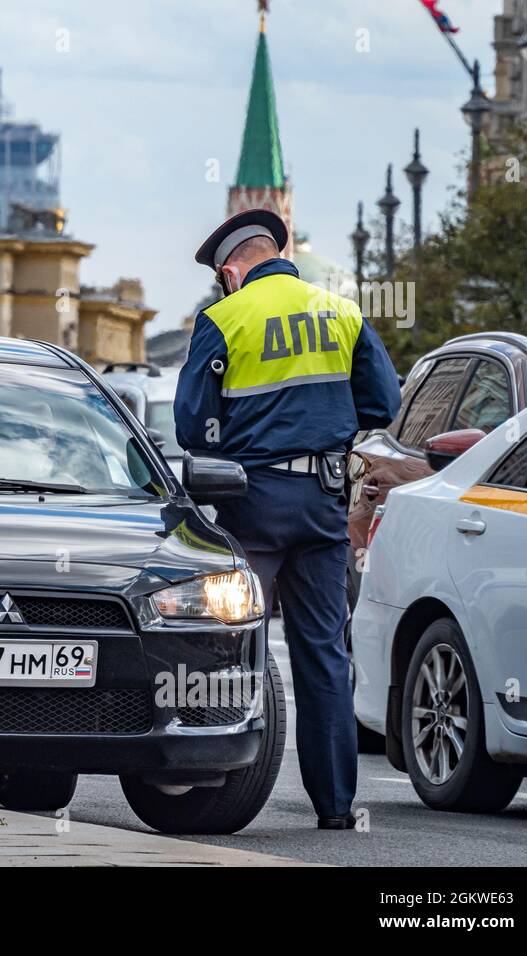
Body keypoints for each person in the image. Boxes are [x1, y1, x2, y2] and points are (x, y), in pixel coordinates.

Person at [174, 209, 401, 830]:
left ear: (230, 271)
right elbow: (383, 402)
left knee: (228, 640)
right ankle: (335, 806)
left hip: (253, 501)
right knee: (325, 652)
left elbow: (192, 426)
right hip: (325, 504)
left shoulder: (223, 318)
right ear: (280, 251)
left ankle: (207, 778)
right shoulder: (343, 312)